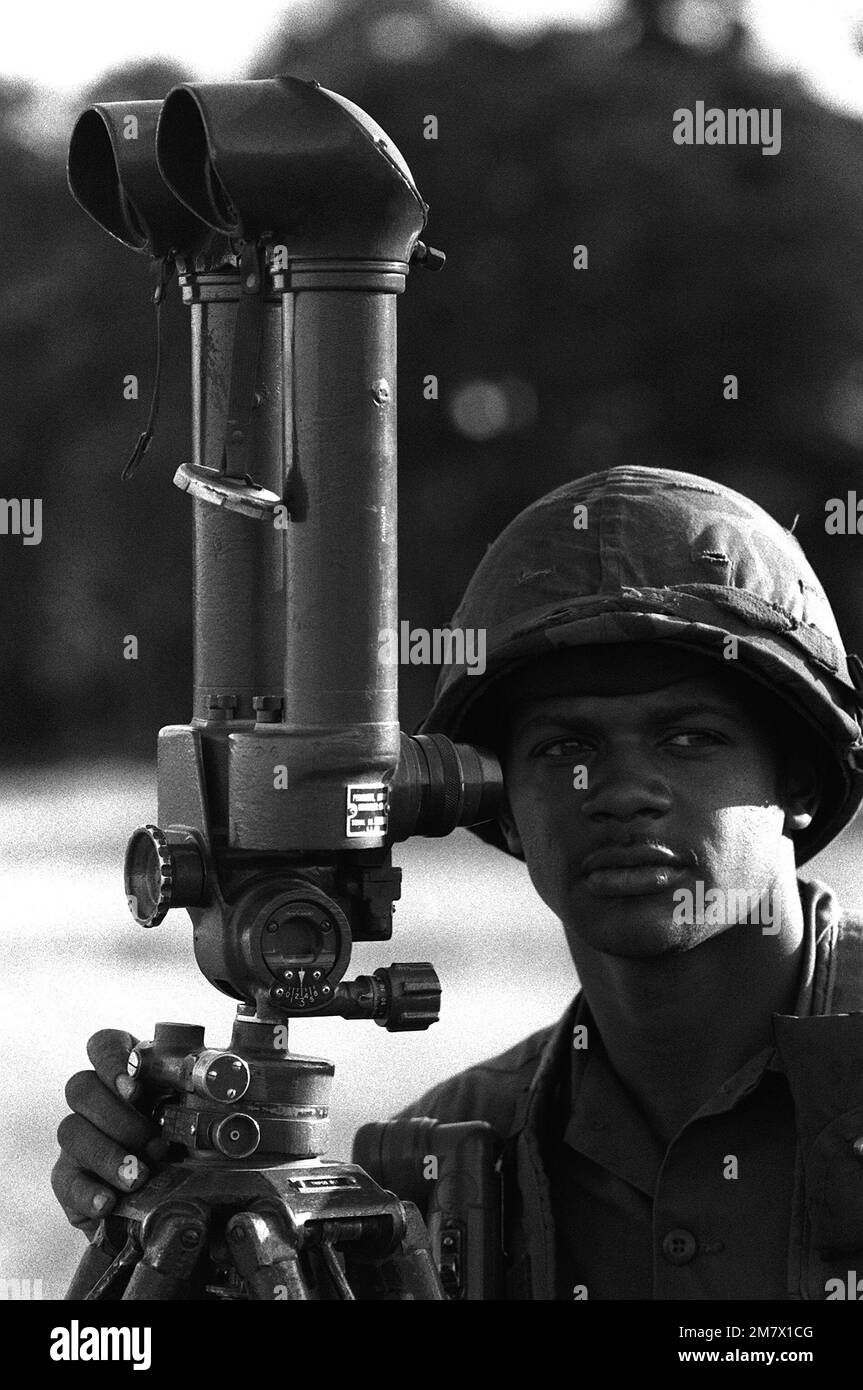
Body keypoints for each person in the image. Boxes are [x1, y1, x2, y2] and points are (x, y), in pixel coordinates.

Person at [52, 466, 863, 1299]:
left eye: (689, 738)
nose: (621, 791)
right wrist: (169, 1228)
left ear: (797, 781)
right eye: (563, 748)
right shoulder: (429, 1183)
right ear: (501, 804)